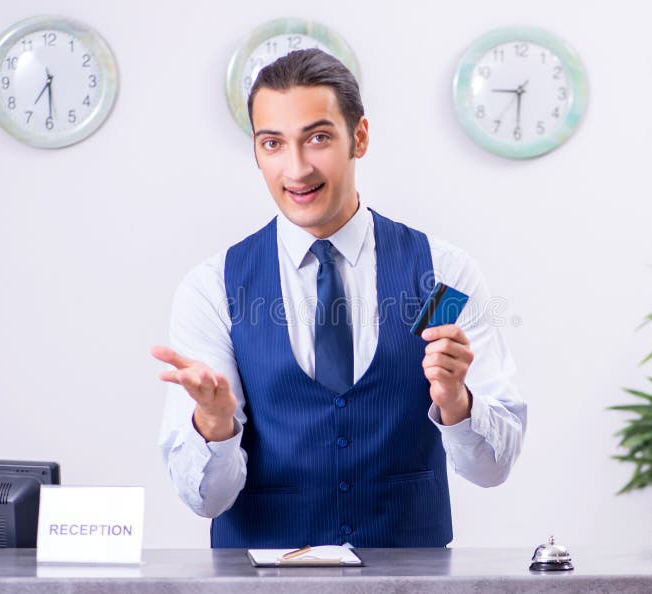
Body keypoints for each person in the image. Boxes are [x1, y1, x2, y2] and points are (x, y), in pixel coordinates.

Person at [153, 48, 526, 548]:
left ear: (360, 138)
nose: (298, 168)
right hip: (262, 582)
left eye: (319, 138)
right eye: (273, 143)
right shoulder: (213, 288)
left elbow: (492, 470)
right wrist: (215, 426)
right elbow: (206, 501)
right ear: (257, 152)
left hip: (409, 581)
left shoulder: (442, 275)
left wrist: (457, 402)